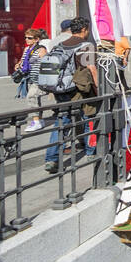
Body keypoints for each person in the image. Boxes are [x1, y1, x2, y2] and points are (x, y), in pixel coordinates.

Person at [43, 17, 97, 172]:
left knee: (61, 123)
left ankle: (52, 159)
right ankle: (91, 152)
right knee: (88, 118)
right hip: (76, 89)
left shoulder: (60, 45)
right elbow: (91, 68)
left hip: (59, 89)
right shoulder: (86, 45)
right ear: (85, 29)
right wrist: (98, 89)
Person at [23, 30, 51, 132]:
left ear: (37, 39)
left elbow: (47, 63)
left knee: (31, 97)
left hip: (40, 78)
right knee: (36, 98)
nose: (27, 40)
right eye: (26, 37)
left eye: (29, 38)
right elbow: (23, 60)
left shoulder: (41, 49)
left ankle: (35, 121)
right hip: (31, 78)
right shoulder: (27, 49)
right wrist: (19, 65)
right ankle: (40, 120)